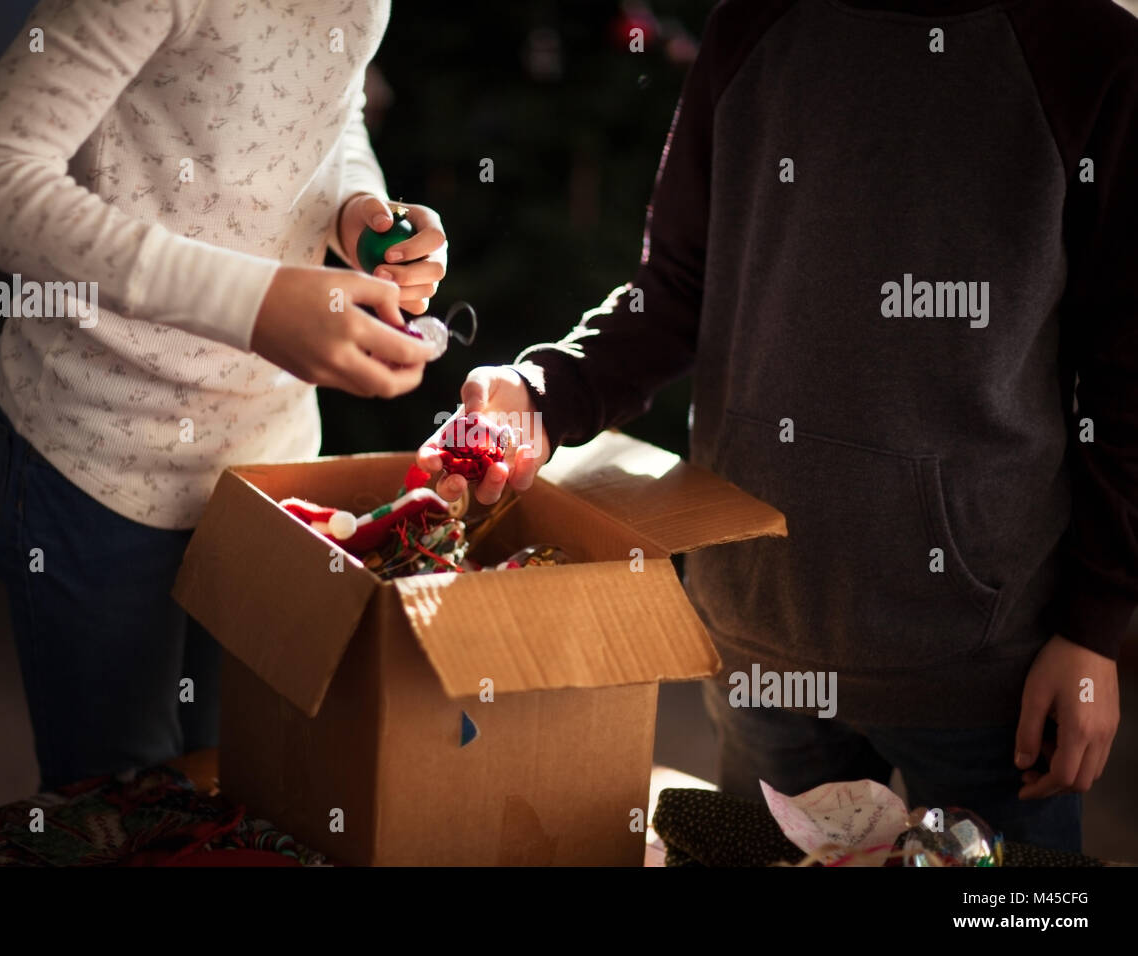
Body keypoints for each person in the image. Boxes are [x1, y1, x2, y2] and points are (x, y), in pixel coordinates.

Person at [418, 0, 1137, 853]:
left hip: (993, 682)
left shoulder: (1092, 51)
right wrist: (540, 392)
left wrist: (1096, 629)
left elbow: (1126, 370)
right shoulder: (753, 22)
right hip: (760, 645)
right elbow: (678, 284)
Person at [0, 0, 446, 790]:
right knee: (121, 799)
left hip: (267, 461)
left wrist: (356, 210)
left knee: (235, 769)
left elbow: (328, 115)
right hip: (96, 453)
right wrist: (254, 304)